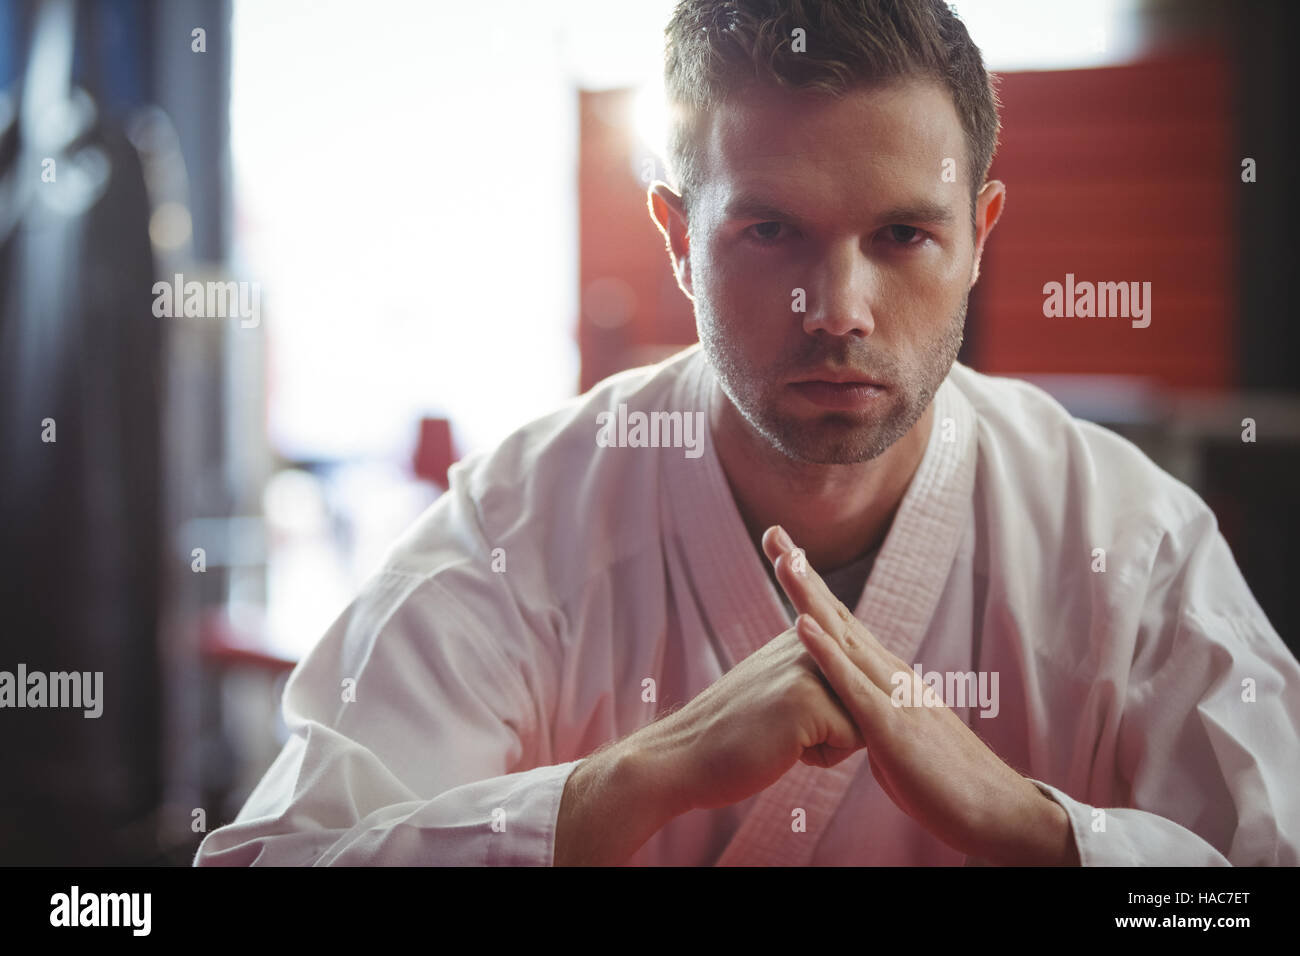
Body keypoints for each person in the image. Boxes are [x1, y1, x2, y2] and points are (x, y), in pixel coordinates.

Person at [195, 0, 1300, 866]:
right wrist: (628, 783)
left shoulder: (1128, 540)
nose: (838, 309)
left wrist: (1034, 828)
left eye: (903, 234)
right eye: (770, 229)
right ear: (677, 236)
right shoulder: (521, 521)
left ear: (978, 235)